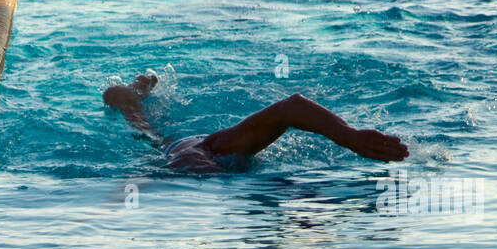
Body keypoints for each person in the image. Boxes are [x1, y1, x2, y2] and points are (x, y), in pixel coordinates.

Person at [102, 73, 408, 173]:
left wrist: (350, 137)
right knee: (152, 135)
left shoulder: (222, 146)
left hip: (183, 148)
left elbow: (293, 106)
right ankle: (127, 97)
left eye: (203, 166)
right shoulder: (198, 163)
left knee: (151, 133)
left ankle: (126, 98)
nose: (206, 170)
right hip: (176, 153)